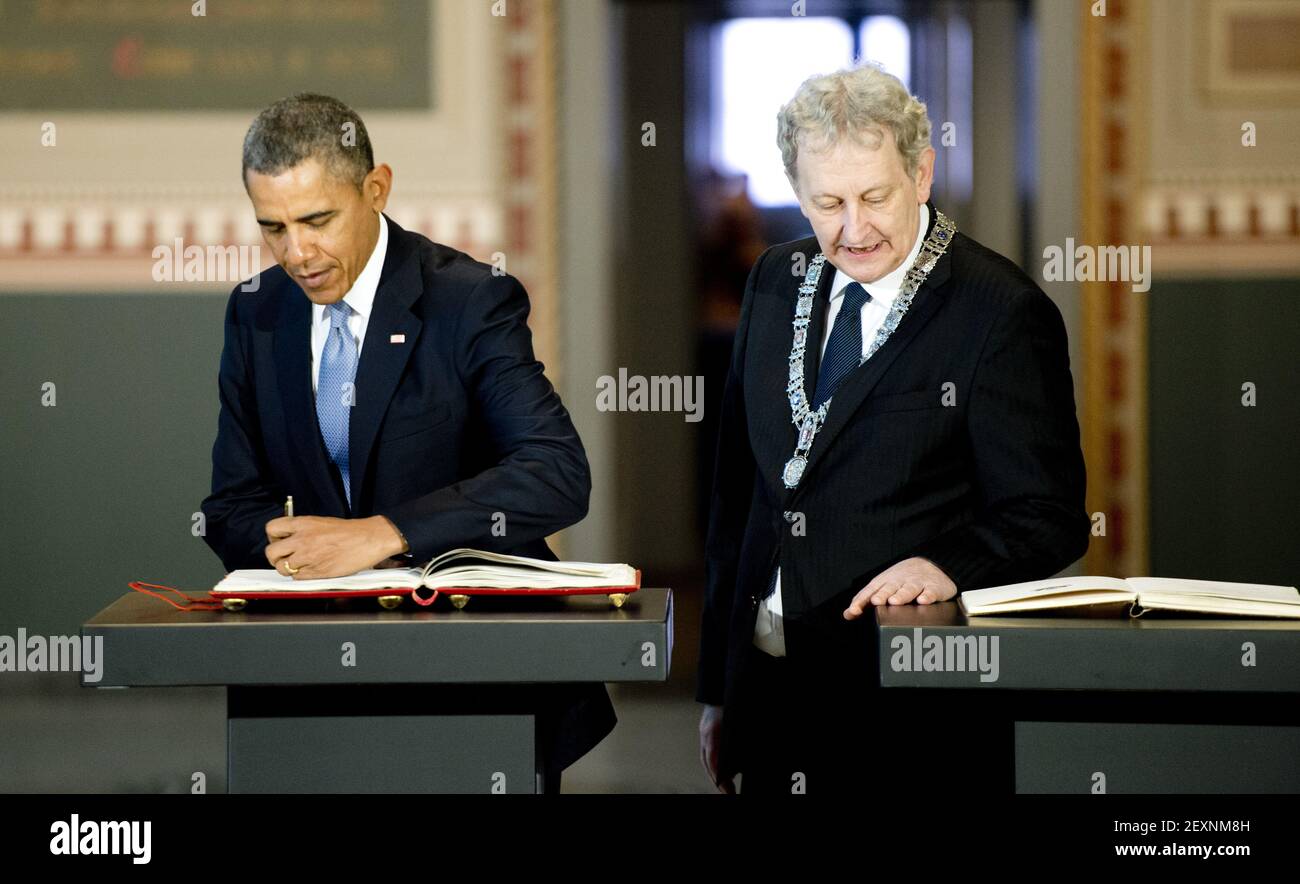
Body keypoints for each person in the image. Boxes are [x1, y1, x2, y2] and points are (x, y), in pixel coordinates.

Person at [200, 93, 614, 793]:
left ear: (376, 188)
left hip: (473, 678)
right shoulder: (256, 311)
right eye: (272, 227)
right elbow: (231, 505)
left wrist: (384, 533)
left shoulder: (470, 300)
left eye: (317, 220)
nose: (297, 252)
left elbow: (555, 473)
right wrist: (300, 549)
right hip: (305, 686)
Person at [697, 64, 1090, 795]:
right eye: (827, 202)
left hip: (912, 714)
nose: (853, 229)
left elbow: (1051, 516)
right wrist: (720, 689)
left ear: (922, 172)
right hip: (771, 693)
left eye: (874, 196)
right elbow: (738, 497)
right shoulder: (772, 280)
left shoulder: (999, 312)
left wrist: (948, 563)